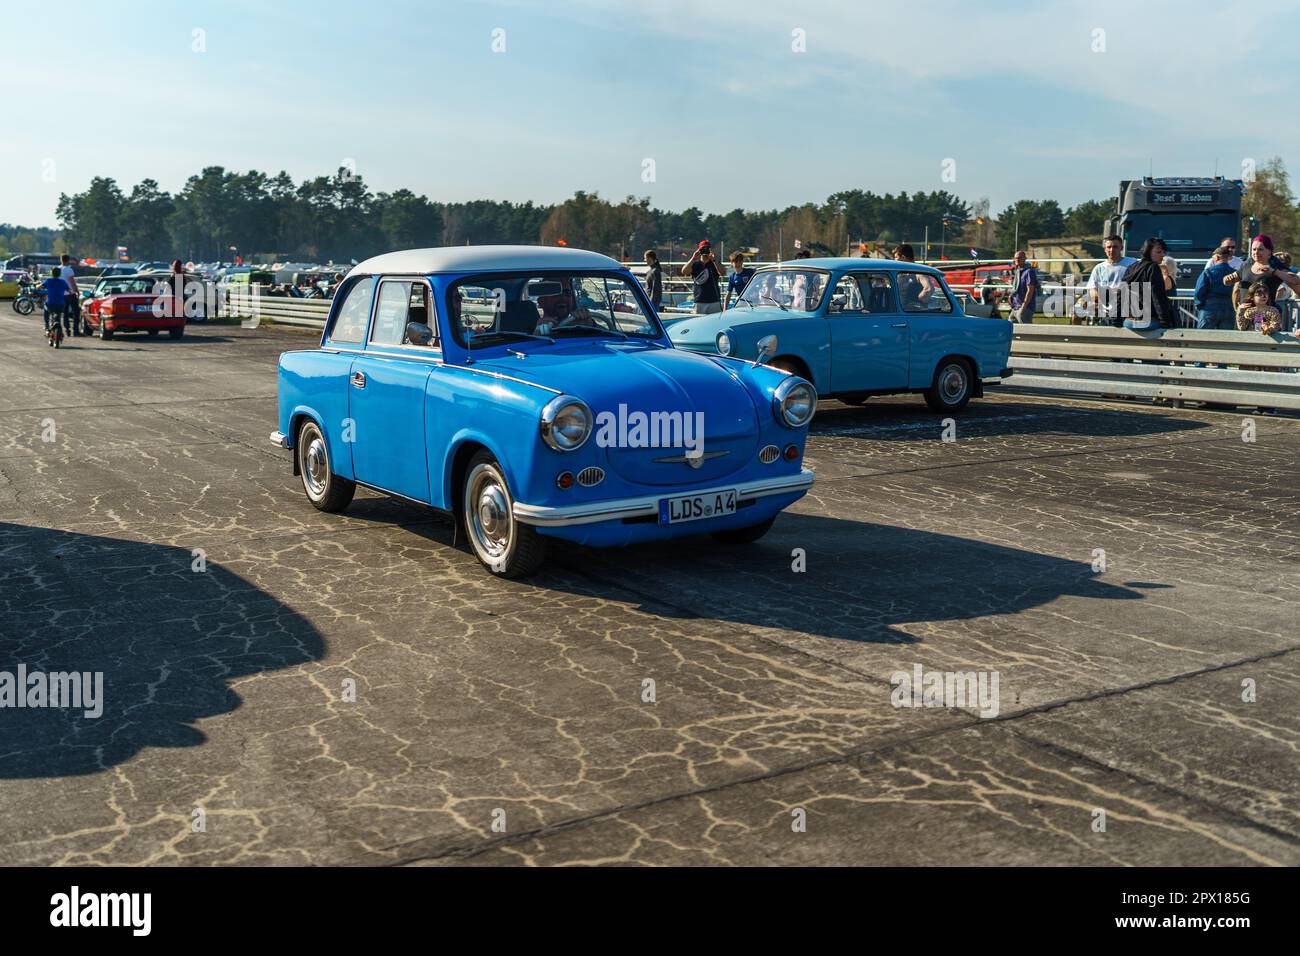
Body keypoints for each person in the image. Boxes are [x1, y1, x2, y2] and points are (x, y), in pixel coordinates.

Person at [1225, 234, 1300, 309]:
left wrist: (1274, 271)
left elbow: (1296, 281)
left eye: (1260, 249)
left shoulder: (1275, 265)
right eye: (1254, 249)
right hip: (1245, 315)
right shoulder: (1247, 263)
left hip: (1266, 315)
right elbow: (1234, 284)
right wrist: (1237, 307)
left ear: (1269, 251)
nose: (1256, 252)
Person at [1121, 237, 1177, 330]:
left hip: (1128, 321)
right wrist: (1165, 323)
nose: (1163, 255)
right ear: (1148, 251)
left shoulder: (1131, 267)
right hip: (1147, 322)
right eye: (1159, 252)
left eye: (1164, 252)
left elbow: (1121, 293)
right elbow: (1158, 297)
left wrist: (1117, 320)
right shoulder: (1153, 267)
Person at [1084, 234, 1137, 326]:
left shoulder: (1133, 263)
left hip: (1128, 314)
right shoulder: (1099, 268)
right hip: (1105, 315)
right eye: (1109, 247)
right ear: (1105, 249)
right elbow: (1092, 289)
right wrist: (1102, 297)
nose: (1111, 250)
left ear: (1121, 248)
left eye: (1115, 247)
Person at [1193, 246, 1237, 330]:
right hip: (1229, 309)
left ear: (1216, 257)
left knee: (1203, 338)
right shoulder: (1234, 274)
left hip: (1209, 308)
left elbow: (1199, 291)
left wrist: (1199, 305)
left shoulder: (1208, 272)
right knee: (1226, 339)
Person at [681, 240, 724, 314]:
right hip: (699, 300)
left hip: (714, 300)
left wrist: (714, 259)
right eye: (703, 248)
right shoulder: (695, 264)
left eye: (707, 248)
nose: (705, 250)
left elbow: (723, 273)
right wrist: (693, 258)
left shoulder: (714, 263)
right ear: (699, 250)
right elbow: (684, 271)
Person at [1007, 250, 1038, 323]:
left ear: (1024, 258)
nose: (1017, 260)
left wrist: (1024, 305)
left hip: (1025, 308)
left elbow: (1030, 290)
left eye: (1019, 258)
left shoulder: (1029, 272)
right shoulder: (1017, 272)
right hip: (1015, 307)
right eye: (1015, 258)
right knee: (1011, 328)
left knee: (1026, 331)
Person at [40, 267, 71, 335]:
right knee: (58, 315)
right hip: (61, 304)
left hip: (50, 304)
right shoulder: (63, 282)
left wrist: (38, 287)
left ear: (52, 273)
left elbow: (40, 287)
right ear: (59, 274)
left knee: (46, 308)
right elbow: (69, 290)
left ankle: (47, 325)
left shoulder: (48, 281)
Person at [59, 254, 81, 335]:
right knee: (76, 312)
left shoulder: (57, 269)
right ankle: (75, 330)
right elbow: (72, 282)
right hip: (70, 293)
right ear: (68, 260)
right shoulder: (69, 270)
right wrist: (77, 292)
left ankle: (67, 330)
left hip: (61, 294)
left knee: (65, 312)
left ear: (61, 260)